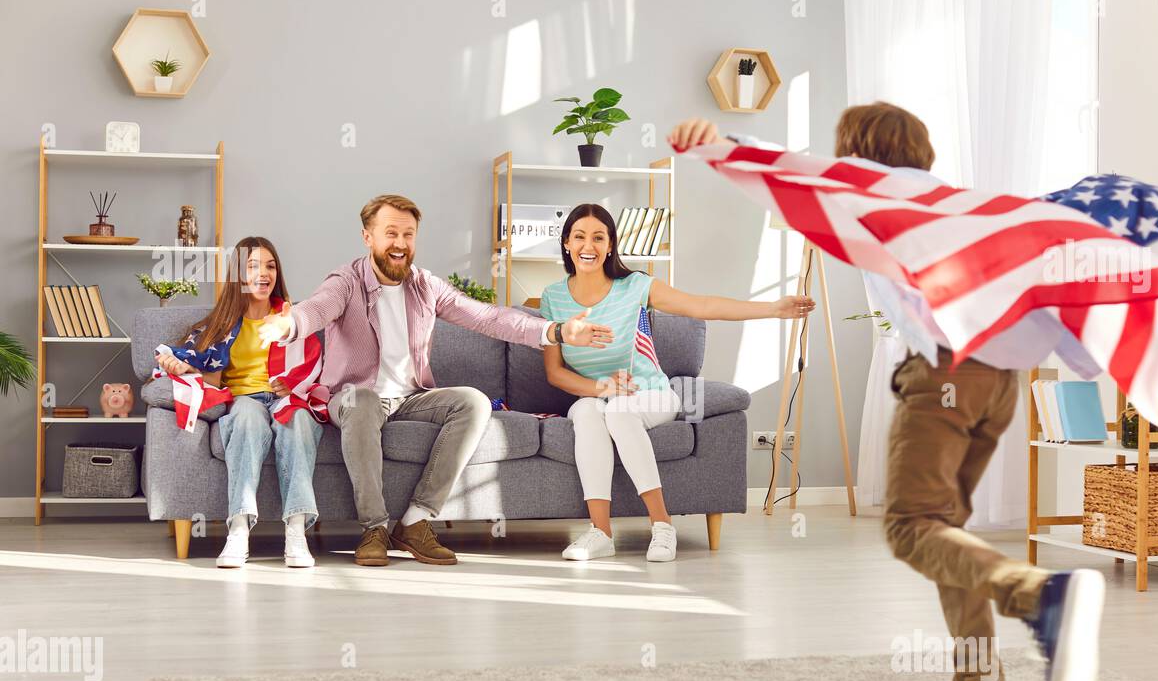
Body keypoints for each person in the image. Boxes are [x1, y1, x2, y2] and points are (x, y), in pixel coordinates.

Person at [668, 110, 1106, 681]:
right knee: (945, 528)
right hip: (1002, 382)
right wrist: (1083, 362)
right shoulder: (952, 204)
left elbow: (797, 179)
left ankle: (1040, 595)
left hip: (946, 377)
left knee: (910, 527)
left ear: (856, 151)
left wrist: (724, 147)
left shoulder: (870, 189)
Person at [256, 194, 613, 567]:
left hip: (412, 397)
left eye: (408, 234)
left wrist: (556, 331)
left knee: (472, 402)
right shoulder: (347, 281)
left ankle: (415, 522)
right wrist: (288, 323)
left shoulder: (425, 285)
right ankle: (374, 528)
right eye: (390, 233)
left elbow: (488, 318)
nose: (400, 244)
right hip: (352, 397)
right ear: (367, 237)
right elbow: (317, 308)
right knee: (360, 401)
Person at [541, 203, 814, 563]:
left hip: (648, 393)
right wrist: (601, 388)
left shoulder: (635, 286)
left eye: (598, 237)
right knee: (590, 415)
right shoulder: (553, 298)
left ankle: (662, 526)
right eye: (579, 236)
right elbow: (555, 373)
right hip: (597, 395)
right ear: (566, 244)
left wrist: (771, 308)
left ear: (610, 246)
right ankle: (600, 533)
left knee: (621, 412)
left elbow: (700, 305)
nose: (587, 245)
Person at [155, 236, 323, 569]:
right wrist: (182, 364)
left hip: (285, 399)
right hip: (245, 400)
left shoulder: (292, 320)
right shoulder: (221, 325)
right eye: (253, 266)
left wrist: (293, 385)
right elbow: (196, 364)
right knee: (246, 415)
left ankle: (296, 532)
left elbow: (314, 365)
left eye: (270, 266)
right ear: (238, 275)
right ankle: (239, 530)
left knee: (298, 419)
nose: (264, 274)